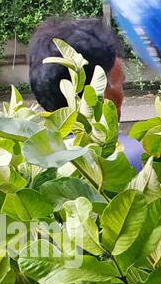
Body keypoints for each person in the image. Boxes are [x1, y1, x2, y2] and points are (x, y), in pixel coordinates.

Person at [26, 17, 144, 170]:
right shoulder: (135, 158)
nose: (123, 96)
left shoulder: (25, 164)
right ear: (99, 95)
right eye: (120, 83)